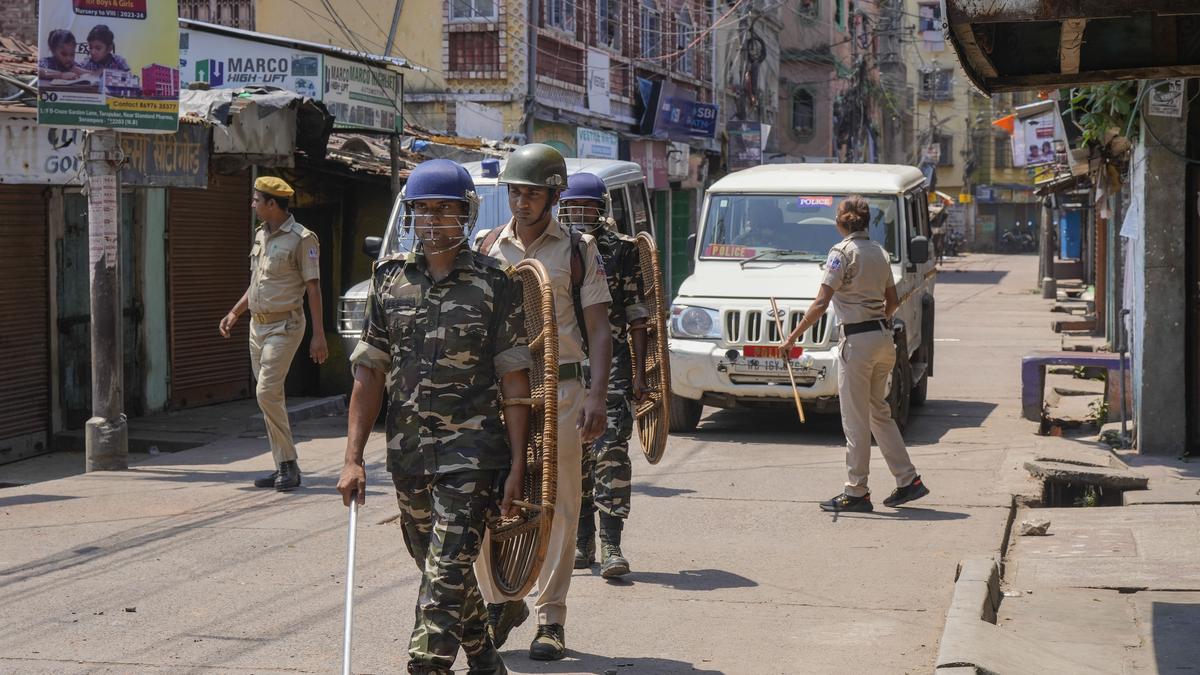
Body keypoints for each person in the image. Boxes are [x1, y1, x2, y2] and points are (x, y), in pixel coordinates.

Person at [337, 159, 532, 675]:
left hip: (475, 454)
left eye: (445, 210)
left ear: (466, 215)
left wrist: (518, 464)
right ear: (411, 218)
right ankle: (485, 654)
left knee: (445, 570)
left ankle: (428, 665)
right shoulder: (389, 280)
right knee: (434, 561)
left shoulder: (496, 282)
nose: (434, 221)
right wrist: (352, 458)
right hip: (408, 455)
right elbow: (369, 373)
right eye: (424, 211)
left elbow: (516, 381)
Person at [474, 144, 612, 661]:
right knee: (490, 497)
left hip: (564, 389)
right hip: (501, 394)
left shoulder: (578, 250)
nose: (522, 200)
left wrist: (597, 395)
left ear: (554, 194)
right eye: (515, 190)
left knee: (559, 501)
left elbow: (599, 330)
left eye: (532, 191)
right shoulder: (487, 246)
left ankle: (550, 617)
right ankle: (497, 601)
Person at [780, 196, 929, 513]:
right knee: (879, 413)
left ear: (842, 223)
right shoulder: (880, 252)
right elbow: (892, 303)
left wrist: (791, 339)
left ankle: (856, 490)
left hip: (858, 344)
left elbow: (821, 303)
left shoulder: (841, 253)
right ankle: (908, 480)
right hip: (882, 340)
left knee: (856, 422)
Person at [558, 173, 649, 579]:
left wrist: (642, 372)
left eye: (586, 207)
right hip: (564, 368)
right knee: (573, 458)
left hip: (611, 368)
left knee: (610, 453)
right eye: (572, 207)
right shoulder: (555, 249)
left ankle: (611, 543)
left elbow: (637, 316)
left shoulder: (623, 251)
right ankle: (582, 543)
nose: (579, 214)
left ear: (601, 210)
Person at [219, 177, 328, 491]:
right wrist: (235, 312)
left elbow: (313, 287)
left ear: (271, 204)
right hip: (258, 325)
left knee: (265, 392)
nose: (252, 205)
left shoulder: (302, 238)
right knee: (270, 398)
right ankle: (284, 465)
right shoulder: (261, 236)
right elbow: (257, 284)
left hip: (286, 325)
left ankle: (288, 463)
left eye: (256, 200)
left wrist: (318, 335)